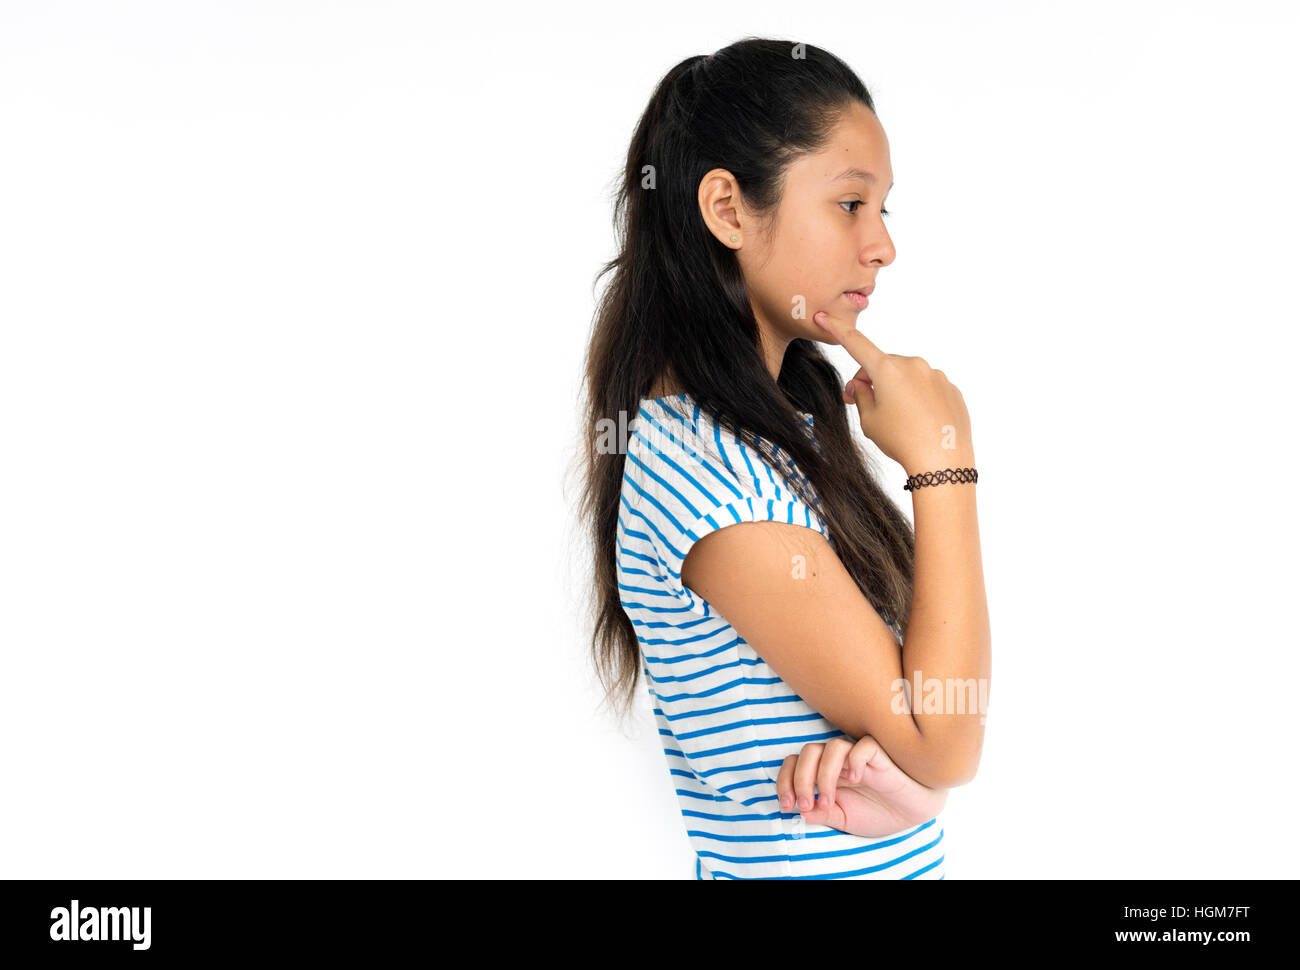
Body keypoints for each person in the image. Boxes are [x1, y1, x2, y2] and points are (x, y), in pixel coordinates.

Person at [576, 38, 991, 879]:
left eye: (885, 210)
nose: (881, 246)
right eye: (849, 205)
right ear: (727, 209)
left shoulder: (782, 428)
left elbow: (923, 735)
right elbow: (944, 736)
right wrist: (946, 470)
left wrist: (913, 788)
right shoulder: (703, 466)